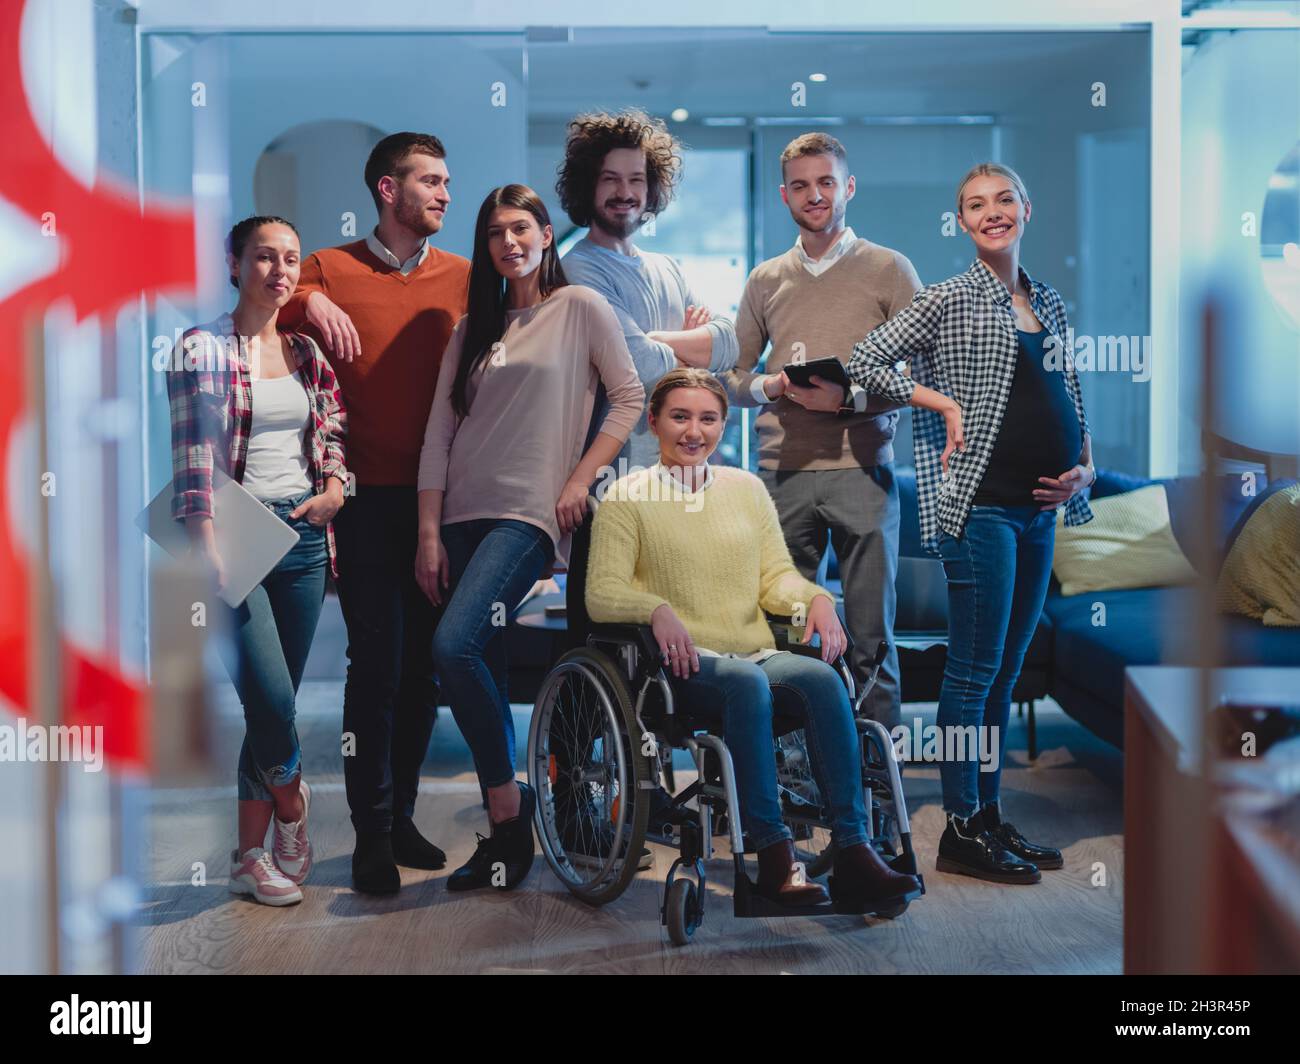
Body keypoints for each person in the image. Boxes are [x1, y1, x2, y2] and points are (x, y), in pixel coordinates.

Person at [585, 367, 923, 909]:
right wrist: (656, 609)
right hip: (681, 667)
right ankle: (773, 857)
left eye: (708, 418)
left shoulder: (745, 489)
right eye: (679, 417)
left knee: (818, 677)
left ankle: (856, 850)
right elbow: (601, 593)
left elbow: (774, 579)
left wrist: (813, 598)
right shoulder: (628, 496)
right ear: (653, 422)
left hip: (750, 651)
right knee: (744, 683)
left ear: (723, 424)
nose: (694, 431)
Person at [845, 163, 1097, 885]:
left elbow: (1071, 389)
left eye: (1004, 200)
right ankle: (960, 826)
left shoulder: (1046, 298)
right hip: (977, 506)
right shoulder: (948, 298)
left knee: (1006, 673)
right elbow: (864, 363)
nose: (993, 213)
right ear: (961, 222)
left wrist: (1083, 464)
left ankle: (985, 814)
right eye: (976, 206)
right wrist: (941, 404)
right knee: (973, 671)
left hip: (1039, 510)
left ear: (1027, 207)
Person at [415, 184, 644, 892]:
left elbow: (631, 396)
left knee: (454, 645)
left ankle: (511, 816)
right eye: (495, 233)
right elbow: (439, 435)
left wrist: (579, 479)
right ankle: (507, 828)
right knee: (466, 655)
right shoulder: (472, 328)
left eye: (521, 228)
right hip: (460, 514)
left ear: (546, 234)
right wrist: (427, 530)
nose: (508, 242)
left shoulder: (579, 307)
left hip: (528, 515)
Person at [277, 132, 470, 894]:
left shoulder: (463, 275)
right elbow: (268, 298)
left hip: (443, 500)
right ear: (387, 191)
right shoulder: (326, 266)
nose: (445, 194)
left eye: (448, 181)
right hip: (359, 502)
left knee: (426, 669)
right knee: (376, 668)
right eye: (429, 181)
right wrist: (310, 296)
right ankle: (369, 832)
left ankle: (405, 817)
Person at [167, 215, 347, 906]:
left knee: (273, 707)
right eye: (265, 257)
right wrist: (205, 540)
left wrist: (334, 488)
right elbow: (193, 455)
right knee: (268, 696)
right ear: (234, 263)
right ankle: (295, 811)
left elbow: (331, 428)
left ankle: (249, 856)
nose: (280, 270)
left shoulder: (306, 350)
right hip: (231, 535)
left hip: (302, 536)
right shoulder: (201, 347)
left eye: (292, 259)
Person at [723, 132, 921, 730]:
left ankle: (878, 803)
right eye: (802, 186)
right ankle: (796, 786)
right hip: (782, 475)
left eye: (826, 182)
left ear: (848, 188)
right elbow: (731, 378)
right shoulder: (765, 279)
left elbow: (917, 376)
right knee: (788, 645)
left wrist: (850, 397)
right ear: (785, 196)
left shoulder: (890, 269)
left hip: (864, 472)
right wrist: (773, 387)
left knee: (871, 643)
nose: (815, 195)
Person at [556, 109, 738, 468]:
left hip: (680, 470)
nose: (625, 192)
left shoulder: (667, 267)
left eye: (636, 179)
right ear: (588, 184)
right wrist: (692, 350)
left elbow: (730, 345)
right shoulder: (578, 268)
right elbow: (638, 366)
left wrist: (654, 339)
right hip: (614, 471)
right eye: (610, 179)